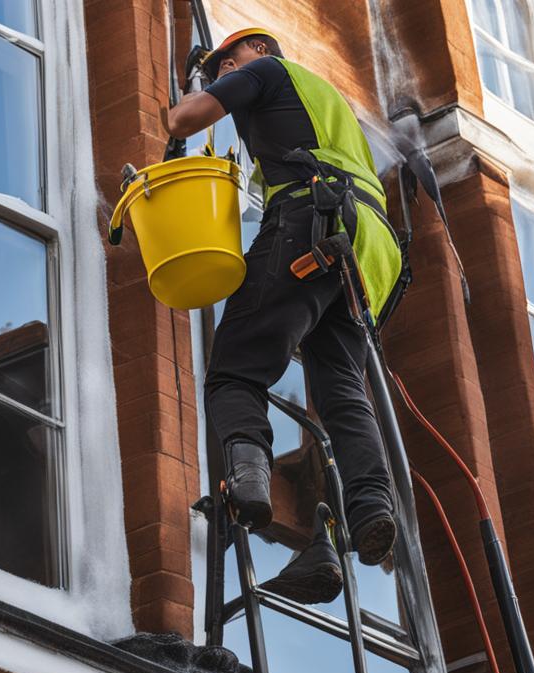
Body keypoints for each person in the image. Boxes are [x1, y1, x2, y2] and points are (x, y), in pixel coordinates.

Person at [160, 28, 403, 592]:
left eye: (230, 61)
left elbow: (182, 121)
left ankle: (249, 482)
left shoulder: (268, 73)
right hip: (366, 249)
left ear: (261, 53)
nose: (224, 71)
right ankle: (371, 507)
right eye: (217, 65)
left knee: (235, 370)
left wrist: (189, 104)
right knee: (342, 387)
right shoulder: (328, 104)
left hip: (309, 221)